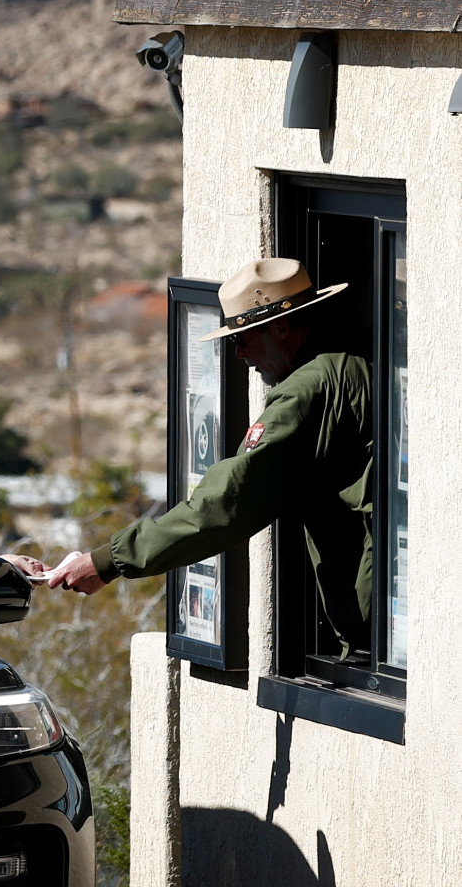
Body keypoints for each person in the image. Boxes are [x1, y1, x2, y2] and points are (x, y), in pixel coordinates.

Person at [40, 256, 373, 657]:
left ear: (281, 328)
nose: (240, 357)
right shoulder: (351, 361)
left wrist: (108, 561)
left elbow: (226, 503)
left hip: (374, 622)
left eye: (242, 339)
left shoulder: (306, 391)